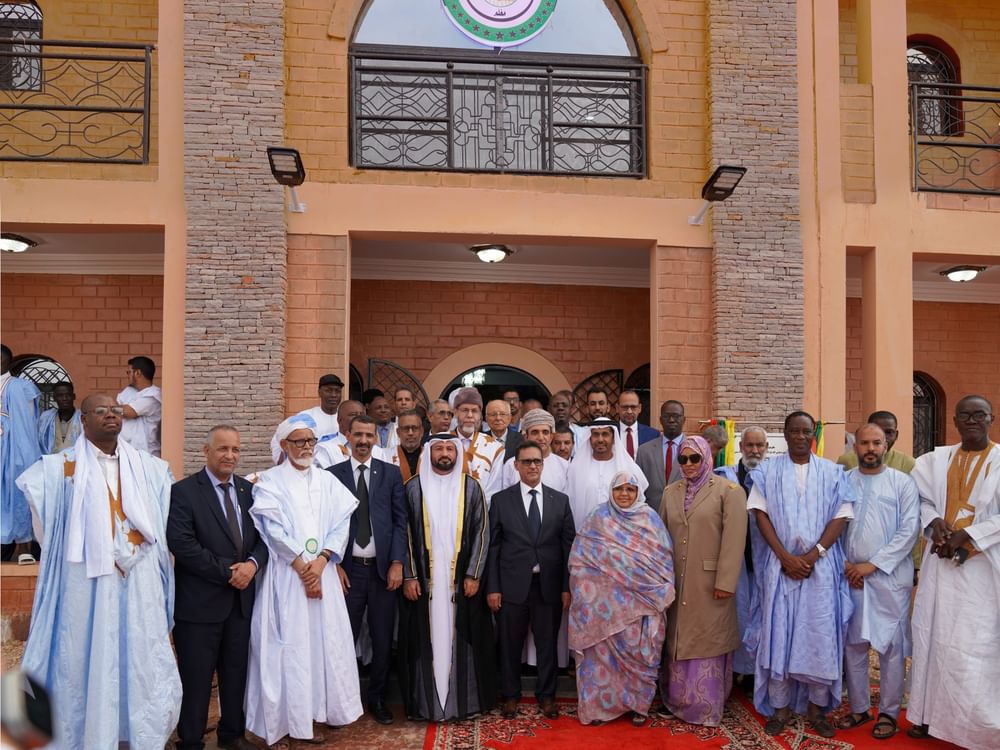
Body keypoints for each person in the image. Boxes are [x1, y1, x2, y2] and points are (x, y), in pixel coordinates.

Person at [15, 393, 181, 748]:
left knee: (139, 652)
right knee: (83, 653)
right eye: (101, 411)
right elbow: (45, 525)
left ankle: (134, 732)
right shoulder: (58, 468)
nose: (111, 416)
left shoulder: (150, 467)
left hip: (139, 578)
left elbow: (163, 518)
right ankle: (85, 733)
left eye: (116, 411)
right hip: (86, 579)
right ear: (84, 420)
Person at [246, 414, 362, 747]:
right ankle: (289, 718)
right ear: (284, 445)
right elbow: (271, 529)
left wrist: (323, 559)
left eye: (311, 441)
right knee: (292, 646)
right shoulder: (269, 481)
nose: (307, 447)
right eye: (300, 442)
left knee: (326, 643)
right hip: (286, 577)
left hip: (322, 572)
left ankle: (322, 711)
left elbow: (342, 523)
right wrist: (301, 565)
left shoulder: (327, 481)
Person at [746, 410, 855, 738]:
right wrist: (784, 557)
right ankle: (779, 707)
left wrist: (812, 554)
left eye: (806, 431)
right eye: (793, 431)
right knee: (780, 634)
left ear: (813, 435)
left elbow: (842, 514)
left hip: (820, 570)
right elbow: (760, 513)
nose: (799, 437)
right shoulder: (768, 471)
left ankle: (815, 708)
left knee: (817, 636)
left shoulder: (832, 473)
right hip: (780, 570)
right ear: (785, 434)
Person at [168, 425, 269, 750]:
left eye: (235, 450)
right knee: (196, 680)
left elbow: (264, 539)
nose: (230, 456)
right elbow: (181, 544)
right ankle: (191, 740)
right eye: (223, 449)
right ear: (206, 451)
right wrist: (229, 572)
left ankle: (232, 735)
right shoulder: (183, 492)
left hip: (240, 604)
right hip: (199, 606)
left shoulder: (247, 491)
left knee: (236, 674)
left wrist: (252, 566)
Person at [907, 395, 1000, 748]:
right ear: (956, 421)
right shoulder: (934, 459)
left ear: (991, 418)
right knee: (932, 638)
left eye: (980, 414)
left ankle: (977, 726)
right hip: (940, 566)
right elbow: (920, 500)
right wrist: (934, 524)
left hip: (982, 572)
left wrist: (970, 535)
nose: (972, 420)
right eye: (965, 415)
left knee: (974, 645)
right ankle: (926, 715)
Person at [397, 435, 496, 721]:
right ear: (429, 453)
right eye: (438, 448)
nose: (444, 453)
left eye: (449, 448)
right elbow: (403, 535)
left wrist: (473, 573)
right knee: (425, 639)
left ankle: (462, 703)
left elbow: (482, 533)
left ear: (458, 453)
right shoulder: (412, 489)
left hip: (460, 580)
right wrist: (410, 575)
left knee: (461, 637)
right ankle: (426, 705)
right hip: (424, 582)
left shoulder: (472, 488)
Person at [569, 471, 675, 727]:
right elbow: (579, 560)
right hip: (603, 609)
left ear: (638, 492)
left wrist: (649, 590)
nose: (624, 494)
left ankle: (639, 706)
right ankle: (600, 707)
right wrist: (595, 589)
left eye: (630, 489)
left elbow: (662, 562)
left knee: (641, 653)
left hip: (640, 606)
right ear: (611, 491)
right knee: (601, 657)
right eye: (619, 489)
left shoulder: (650, 519)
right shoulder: (598, 517)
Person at [836, 424, 919, 740]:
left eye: (876, 443)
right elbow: (834, 525)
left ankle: (888, 712)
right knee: (854, 644)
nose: (870, 448)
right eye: (864, 443)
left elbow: (909, 530)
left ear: (887, 445)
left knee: (890, 646)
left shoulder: (902, 484)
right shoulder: (843, 482)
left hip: (888, 578)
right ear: (854, 447)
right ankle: (858, 709)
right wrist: (845, 564)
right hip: (850, 577)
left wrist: (872, 565)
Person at [658, 436, 747, 727]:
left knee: (707, 639)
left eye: (694, 458)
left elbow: (735, 540)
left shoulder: (728, 491)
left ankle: (705, 708)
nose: (688, 465)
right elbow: (660, 538)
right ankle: (675, 702)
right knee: (678, 636)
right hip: (676, 579)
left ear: (707, 458)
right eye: (683, 459)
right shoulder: (670, 492)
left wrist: (726, 581)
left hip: (710, 582)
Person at [329, 415, 408, 726]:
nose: (363, 440)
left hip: (382, 571)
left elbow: (400, 522)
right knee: (343, 638)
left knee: (382, 637)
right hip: (347, 572)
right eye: (357, 434)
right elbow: (326, 523)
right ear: (347, 435)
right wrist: (334, 565)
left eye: (369, 435)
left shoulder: (390, 474)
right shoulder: (331, 475)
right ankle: (342, 701)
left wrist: (397, 563)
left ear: (377, 439)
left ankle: (376, 698)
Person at [487, 442, 576, 720]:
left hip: (547, 586)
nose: (532, 466)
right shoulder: (501, 501)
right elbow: (493, 548)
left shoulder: (559, 500)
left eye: (537, 461)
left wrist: (566, 587)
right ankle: (510, 695)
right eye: (526, 462)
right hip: (511, 586)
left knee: (547, 644)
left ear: (543, 463)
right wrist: (493, 587)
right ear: (516, 466)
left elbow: (568, 548)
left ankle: (547, 696)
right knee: (510, 644)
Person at [715, 426, 769, 683]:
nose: (755, 451)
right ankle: (734, 670)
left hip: (764, 559)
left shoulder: (773, 477)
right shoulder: (724, 477)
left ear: (767, 449)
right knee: (737, 615)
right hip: (734, 559)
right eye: (750, 446)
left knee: (761, 616)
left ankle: (754, 676)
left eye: (760, 446)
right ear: (741, 447)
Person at [566, 417, 648, 530]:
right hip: (587, 533)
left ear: (613, 438)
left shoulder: (627, 466)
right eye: (595, 434)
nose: (600, 439)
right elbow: (569, 503)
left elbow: (639, 501)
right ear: (589, 438)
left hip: (620, 534)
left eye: (605, 434)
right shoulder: (576, 468)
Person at [1, 344, 42, 561]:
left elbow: (26, 425)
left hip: (13, 452)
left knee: (17, 495)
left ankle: (23, 546)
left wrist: (23, 455)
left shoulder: (20, 387)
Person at [450, 386, 505, 500]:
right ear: (455, 412)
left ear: (480, 415)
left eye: (474, 411)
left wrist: (478, 510)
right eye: (465, 410)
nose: (470, 415)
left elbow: (494, 488)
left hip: (482, 511)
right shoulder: (441, 443)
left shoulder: (494, 447)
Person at [636, 400, 686, 513]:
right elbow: (638, 487)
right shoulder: (644, 451)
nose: (671, 420)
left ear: (684, 420)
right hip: (651, 516)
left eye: (676, 416)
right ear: (660, 420)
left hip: (683, 516)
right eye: (667, 416)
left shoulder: (694, 451)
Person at [836, 410, 915, 473]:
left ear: (896, 435)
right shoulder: (846, 461)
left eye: (888, 432)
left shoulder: (908, 463)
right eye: (877, 431)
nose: (883, 437)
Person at [116, 355, 162, 456]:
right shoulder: (130, 391)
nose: (127, 375)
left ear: (138, 373)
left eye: (129, 372)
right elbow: (118, 407)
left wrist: (112, 409)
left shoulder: (153, 395)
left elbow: (129, 412)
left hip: (147, 454)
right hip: (127, 452)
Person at [312, 400, 363, 469]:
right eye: (353, 414)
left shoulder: (376, 451)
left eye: (362, 415)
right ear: (339, 420)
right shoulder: (325, 449)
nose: (359, 418)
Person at [36, 381, 82, 454]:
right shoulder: (46, 418)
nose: (64, 398)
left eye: (68, 395)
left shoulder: (82, 418)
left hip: (77, 461)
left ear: (74, 396)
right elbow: (39, 442)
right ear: (54, 398)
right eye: (60, 395)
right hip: (52, 461)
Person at [302, 374, 345, 445]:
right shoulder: (306, 417)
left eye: (337, 391)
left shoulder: (347, 418)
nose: (333, 395)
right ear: (319, 392)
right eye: (328, 390)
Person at [383, 409, 424, 481]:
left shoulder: (430, 455)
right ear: (398, 432)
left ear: (421, 431)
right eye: (406, 428)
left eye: (414, 428)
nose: (410, 433)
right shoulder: (385, 456)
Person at [617, 389, 659, 460]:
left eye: (633, 407)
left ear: (639, 408)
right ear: (617, 408)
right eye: (625, 407)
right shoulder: (610, 432)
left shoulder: (653, 435)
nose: (629, 411)